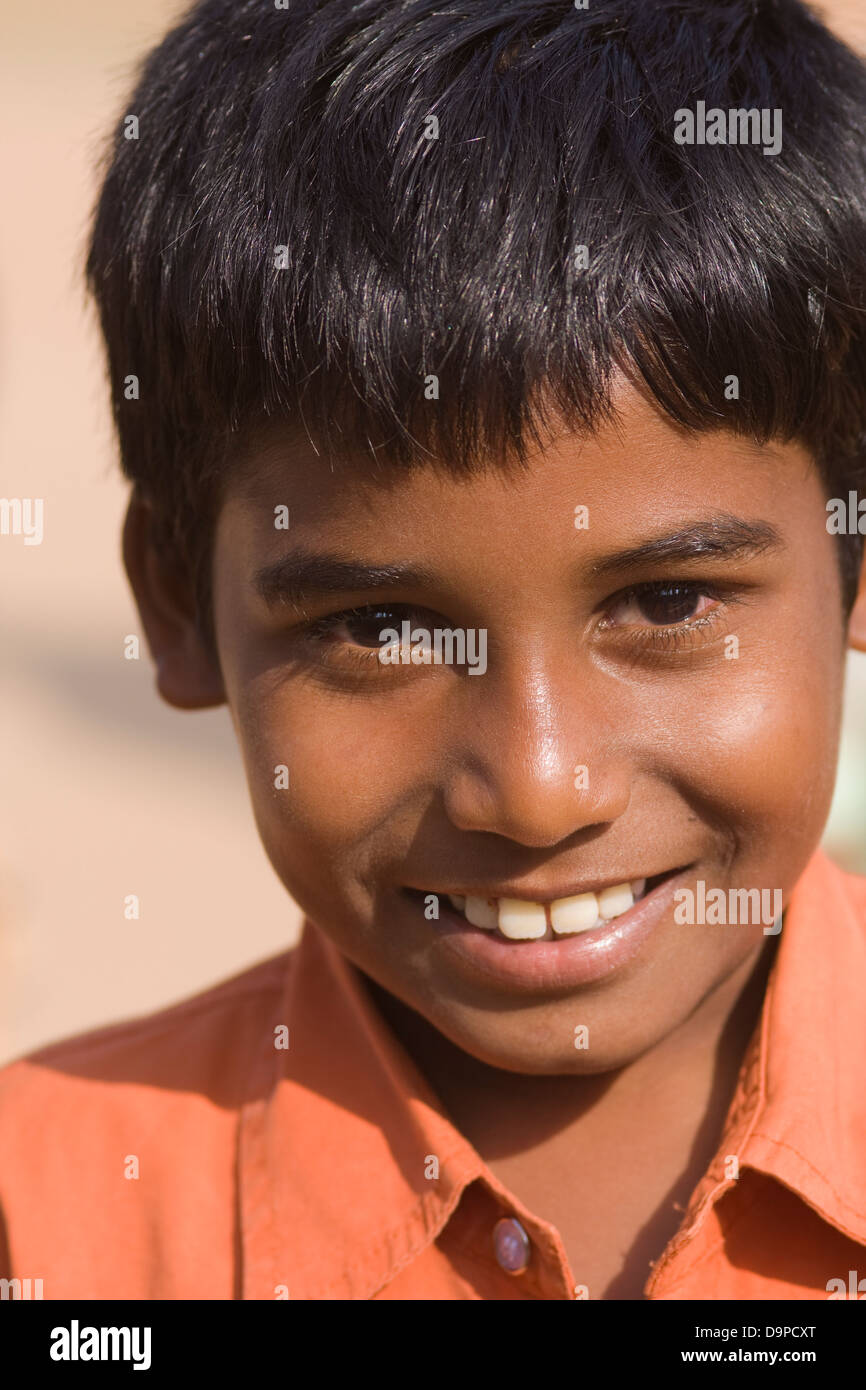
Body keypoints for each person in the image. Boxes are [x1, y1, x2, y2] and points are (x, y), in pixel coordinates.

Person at [2, 0, 866, 1300]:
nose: (535, 785)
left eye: (668, 603)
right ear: (177, 611)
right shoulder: (50, 1228)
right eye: (379, 628)